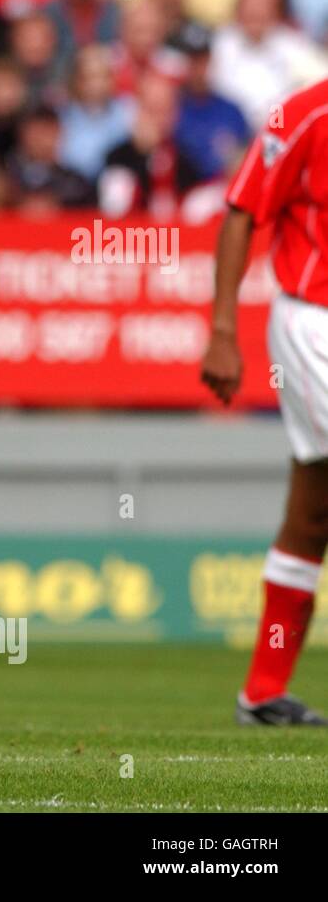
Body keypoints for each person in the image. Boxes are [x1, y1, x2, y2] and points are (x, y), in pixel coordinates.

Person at [200, 76, 328, 726]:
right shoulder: (303, 114)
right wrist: (223, 331)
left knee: (312, 511)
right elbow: (242, 210)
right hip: (315, 324)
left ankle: (263, 690)